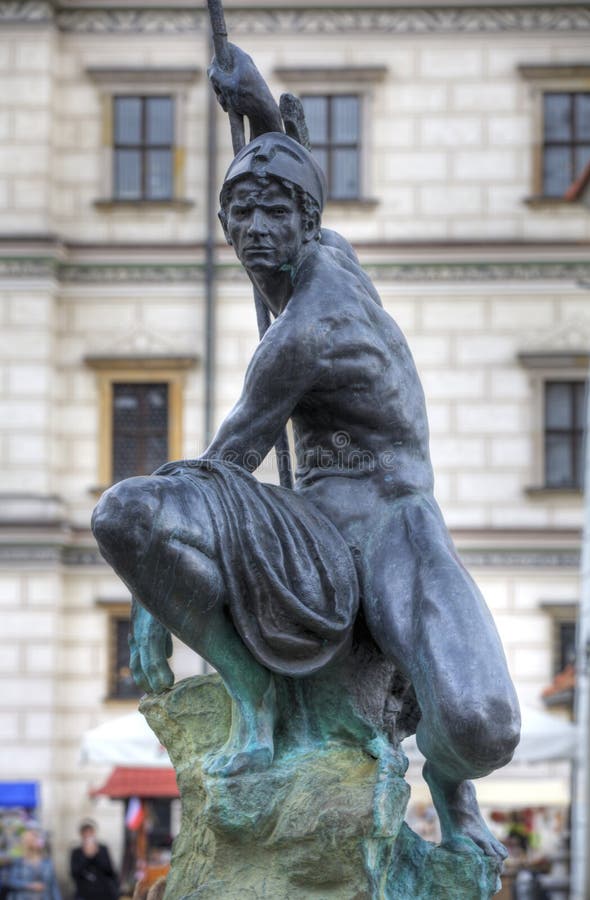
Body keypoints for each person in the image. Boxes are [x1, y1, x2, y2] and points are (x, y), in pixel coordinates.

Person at [91, 44, 520, 862]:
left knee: (484, 727)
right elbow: (290, 185)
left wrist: (148, 600)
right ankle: (256, 701)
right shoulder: (327, 255)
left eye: (272, 215)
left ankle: (449, 783)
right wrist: (254, 108)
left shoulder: (308, 326)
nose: (254, 231)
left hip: (395, 522)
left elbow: (225, 463)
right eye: (238, 216)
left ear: (306, 222)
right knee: (126, 513)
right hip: (313, 522)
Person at [7, 828, 61, 900]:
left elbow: (53, 886)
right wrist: (30, 885)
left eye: (37, 837)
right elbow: (11, 882)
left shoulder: (47, 862)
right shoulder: (19, 862)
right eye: (33, 839)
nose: (38, 840)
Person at [70, 821, 118, 900]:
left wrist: (97, 854)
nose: (88, 836)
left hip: (104, 893)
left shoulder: (102, 849)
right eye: (86, 834)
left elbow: (110, 870)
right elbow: (74, 873)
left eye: (90, 833)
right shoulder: (76, 852)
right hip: (84, 893)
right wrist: (85, 856)